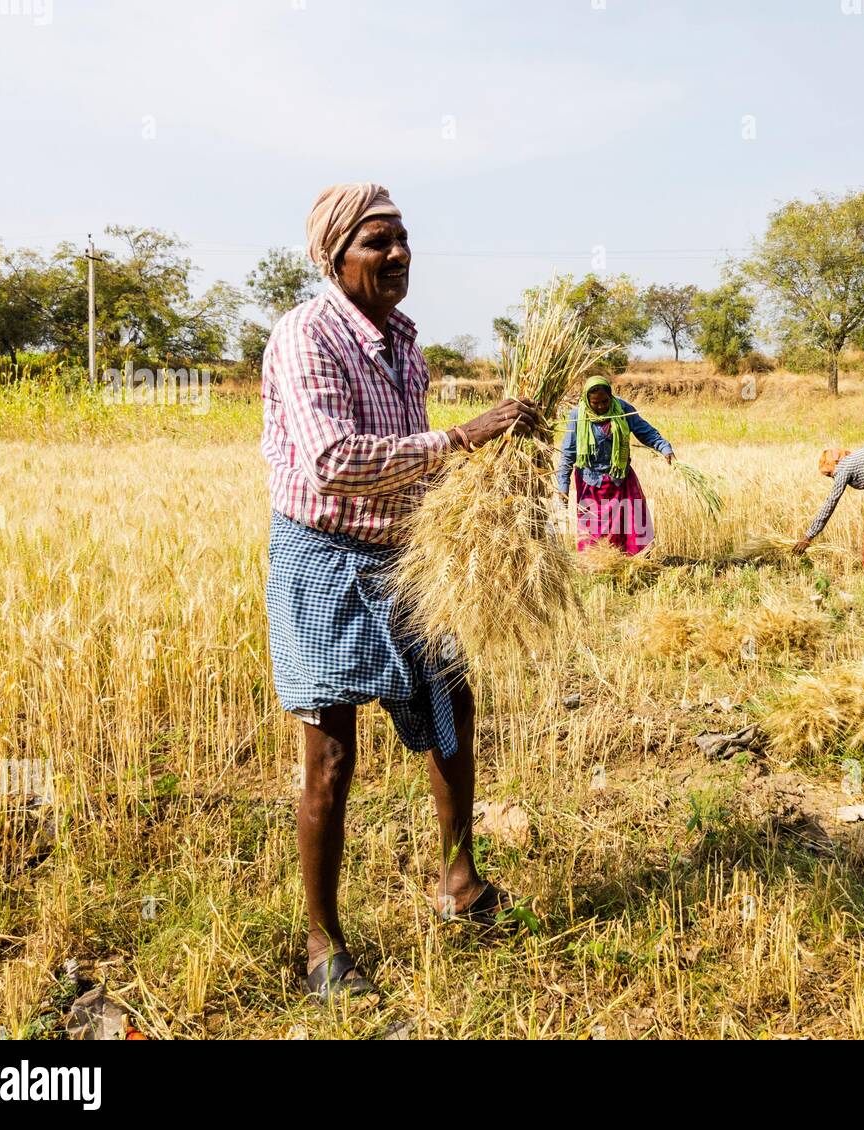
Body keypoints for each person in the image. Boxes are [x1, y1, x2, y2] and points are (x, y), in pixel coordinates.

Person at [262, 182, 543, 1001]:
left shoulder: (403, 341)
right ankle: (324, 945)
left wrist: (485, 480)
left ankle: (461, 883)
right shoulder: (307, 336)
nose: (398, 254)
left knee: (454, 712)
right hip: (324, 561)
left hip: (410, 561)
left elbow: (409, 452)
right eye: (377, 241)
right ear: (333, 256)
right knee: (331, 756)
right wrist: (460, 438)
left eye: (402, 238)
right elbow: (335, 461)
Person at [555, 375, 675, 555]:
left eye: (605, 401)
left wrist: (664, 447)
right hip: (591, 483)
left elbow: (645, 431)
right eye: (595, 403)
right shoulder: (577, 416)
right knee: (595, 530)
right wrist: (563, 486)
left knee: (631, 523)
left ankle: (633, 563)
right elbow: (568, 453)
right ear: (587, 400)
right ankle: (597, 566)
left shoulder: (622, 409)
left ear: (610, 396)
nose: (602, 407)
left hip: (620, 479)